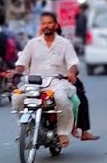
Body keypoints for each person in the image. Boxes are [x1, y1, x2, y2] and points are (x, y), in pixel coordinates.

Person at [10, 11, 80, 148]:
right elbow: (21, 63)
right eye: (43, 23)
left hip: (57, 82)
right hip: (34, 83)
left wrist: (72, 72)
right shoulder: (32, 44)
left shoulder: (64, 44)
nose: (46, 26)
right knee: (17, 99)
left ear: (55, 25)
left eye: (49, 23)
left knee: (61, 99)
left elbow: (73, 63)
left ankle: (62, 132)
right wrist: (15, 72)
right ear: (40, 26)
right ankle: (26, 127)